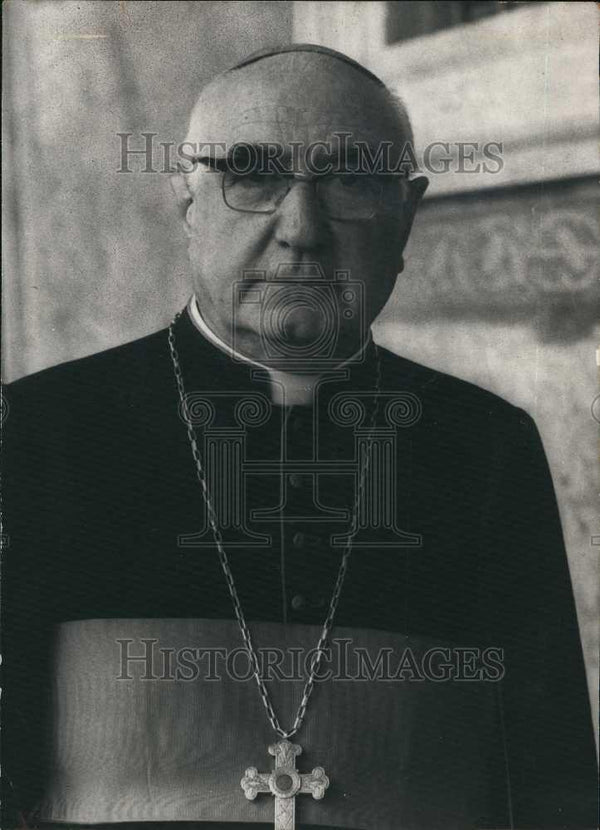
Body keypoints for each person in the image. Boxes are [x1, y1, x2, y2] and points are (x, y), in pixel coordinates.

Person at [2, 44, 596, 830]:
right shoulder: (42, 431)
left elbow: (554, 785)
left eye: (352, 179)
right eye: (253, 174)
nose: (301, 229)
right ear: (188, 201)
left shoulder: (486, 447)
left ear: (407, 213)